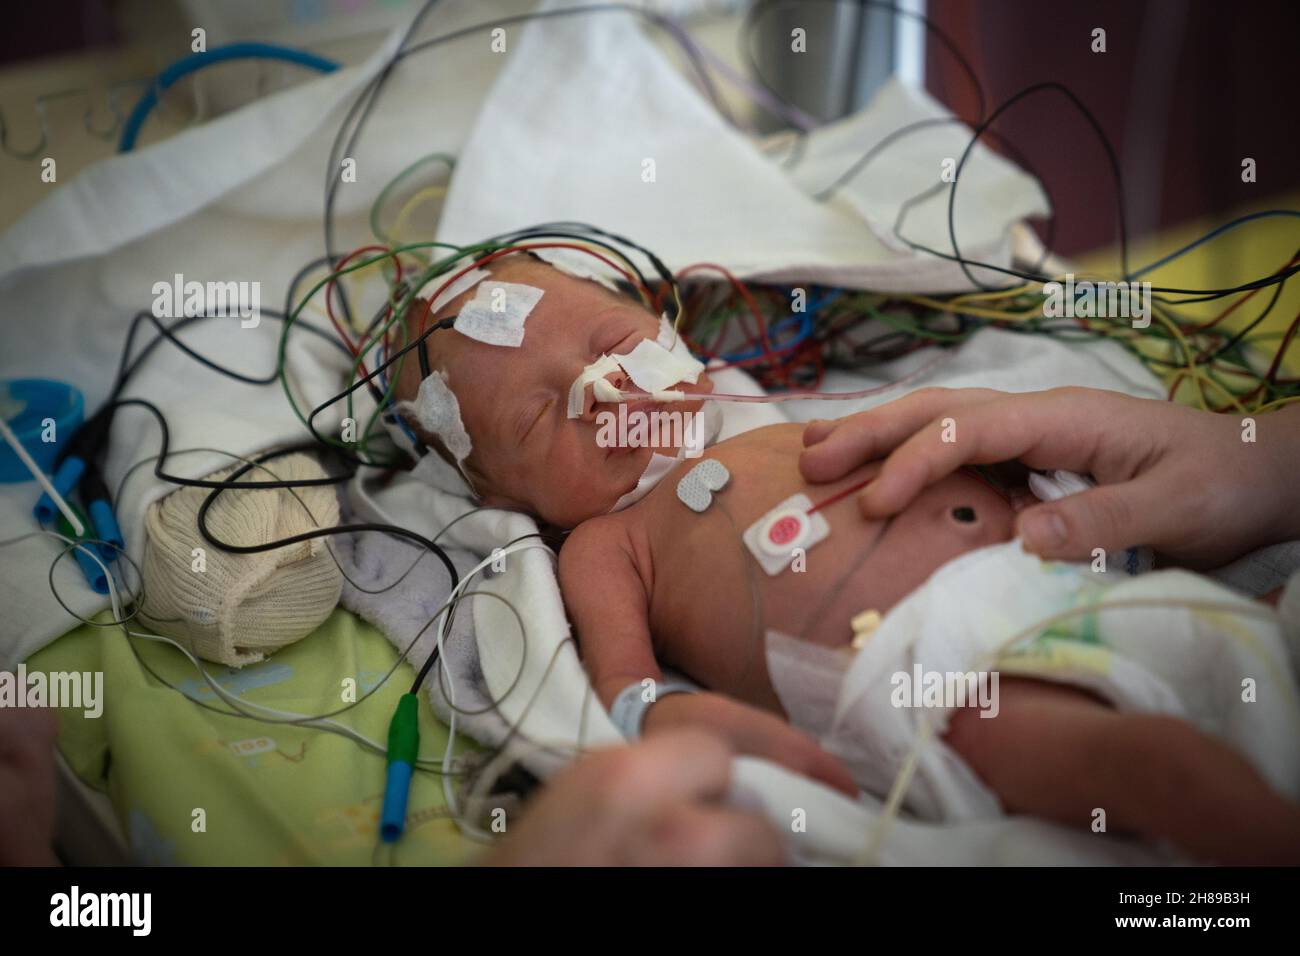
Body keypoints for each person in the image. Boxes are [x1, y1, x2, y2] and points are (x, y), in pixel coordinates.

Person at [391, 258, 1300, 863]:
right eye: (537, 419)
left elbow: (958, 436)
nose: (604, 391)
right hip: (931, 681)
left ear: (667, 327)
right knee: (1154, 768)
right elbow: (630, 690)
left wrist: (1041, 485)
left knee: (1254, 646)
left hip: (1058, 575)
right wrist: (684, 721)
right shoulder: (606, 545)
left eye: (607, 343)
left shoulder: (783, 418)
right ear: (504, 502)